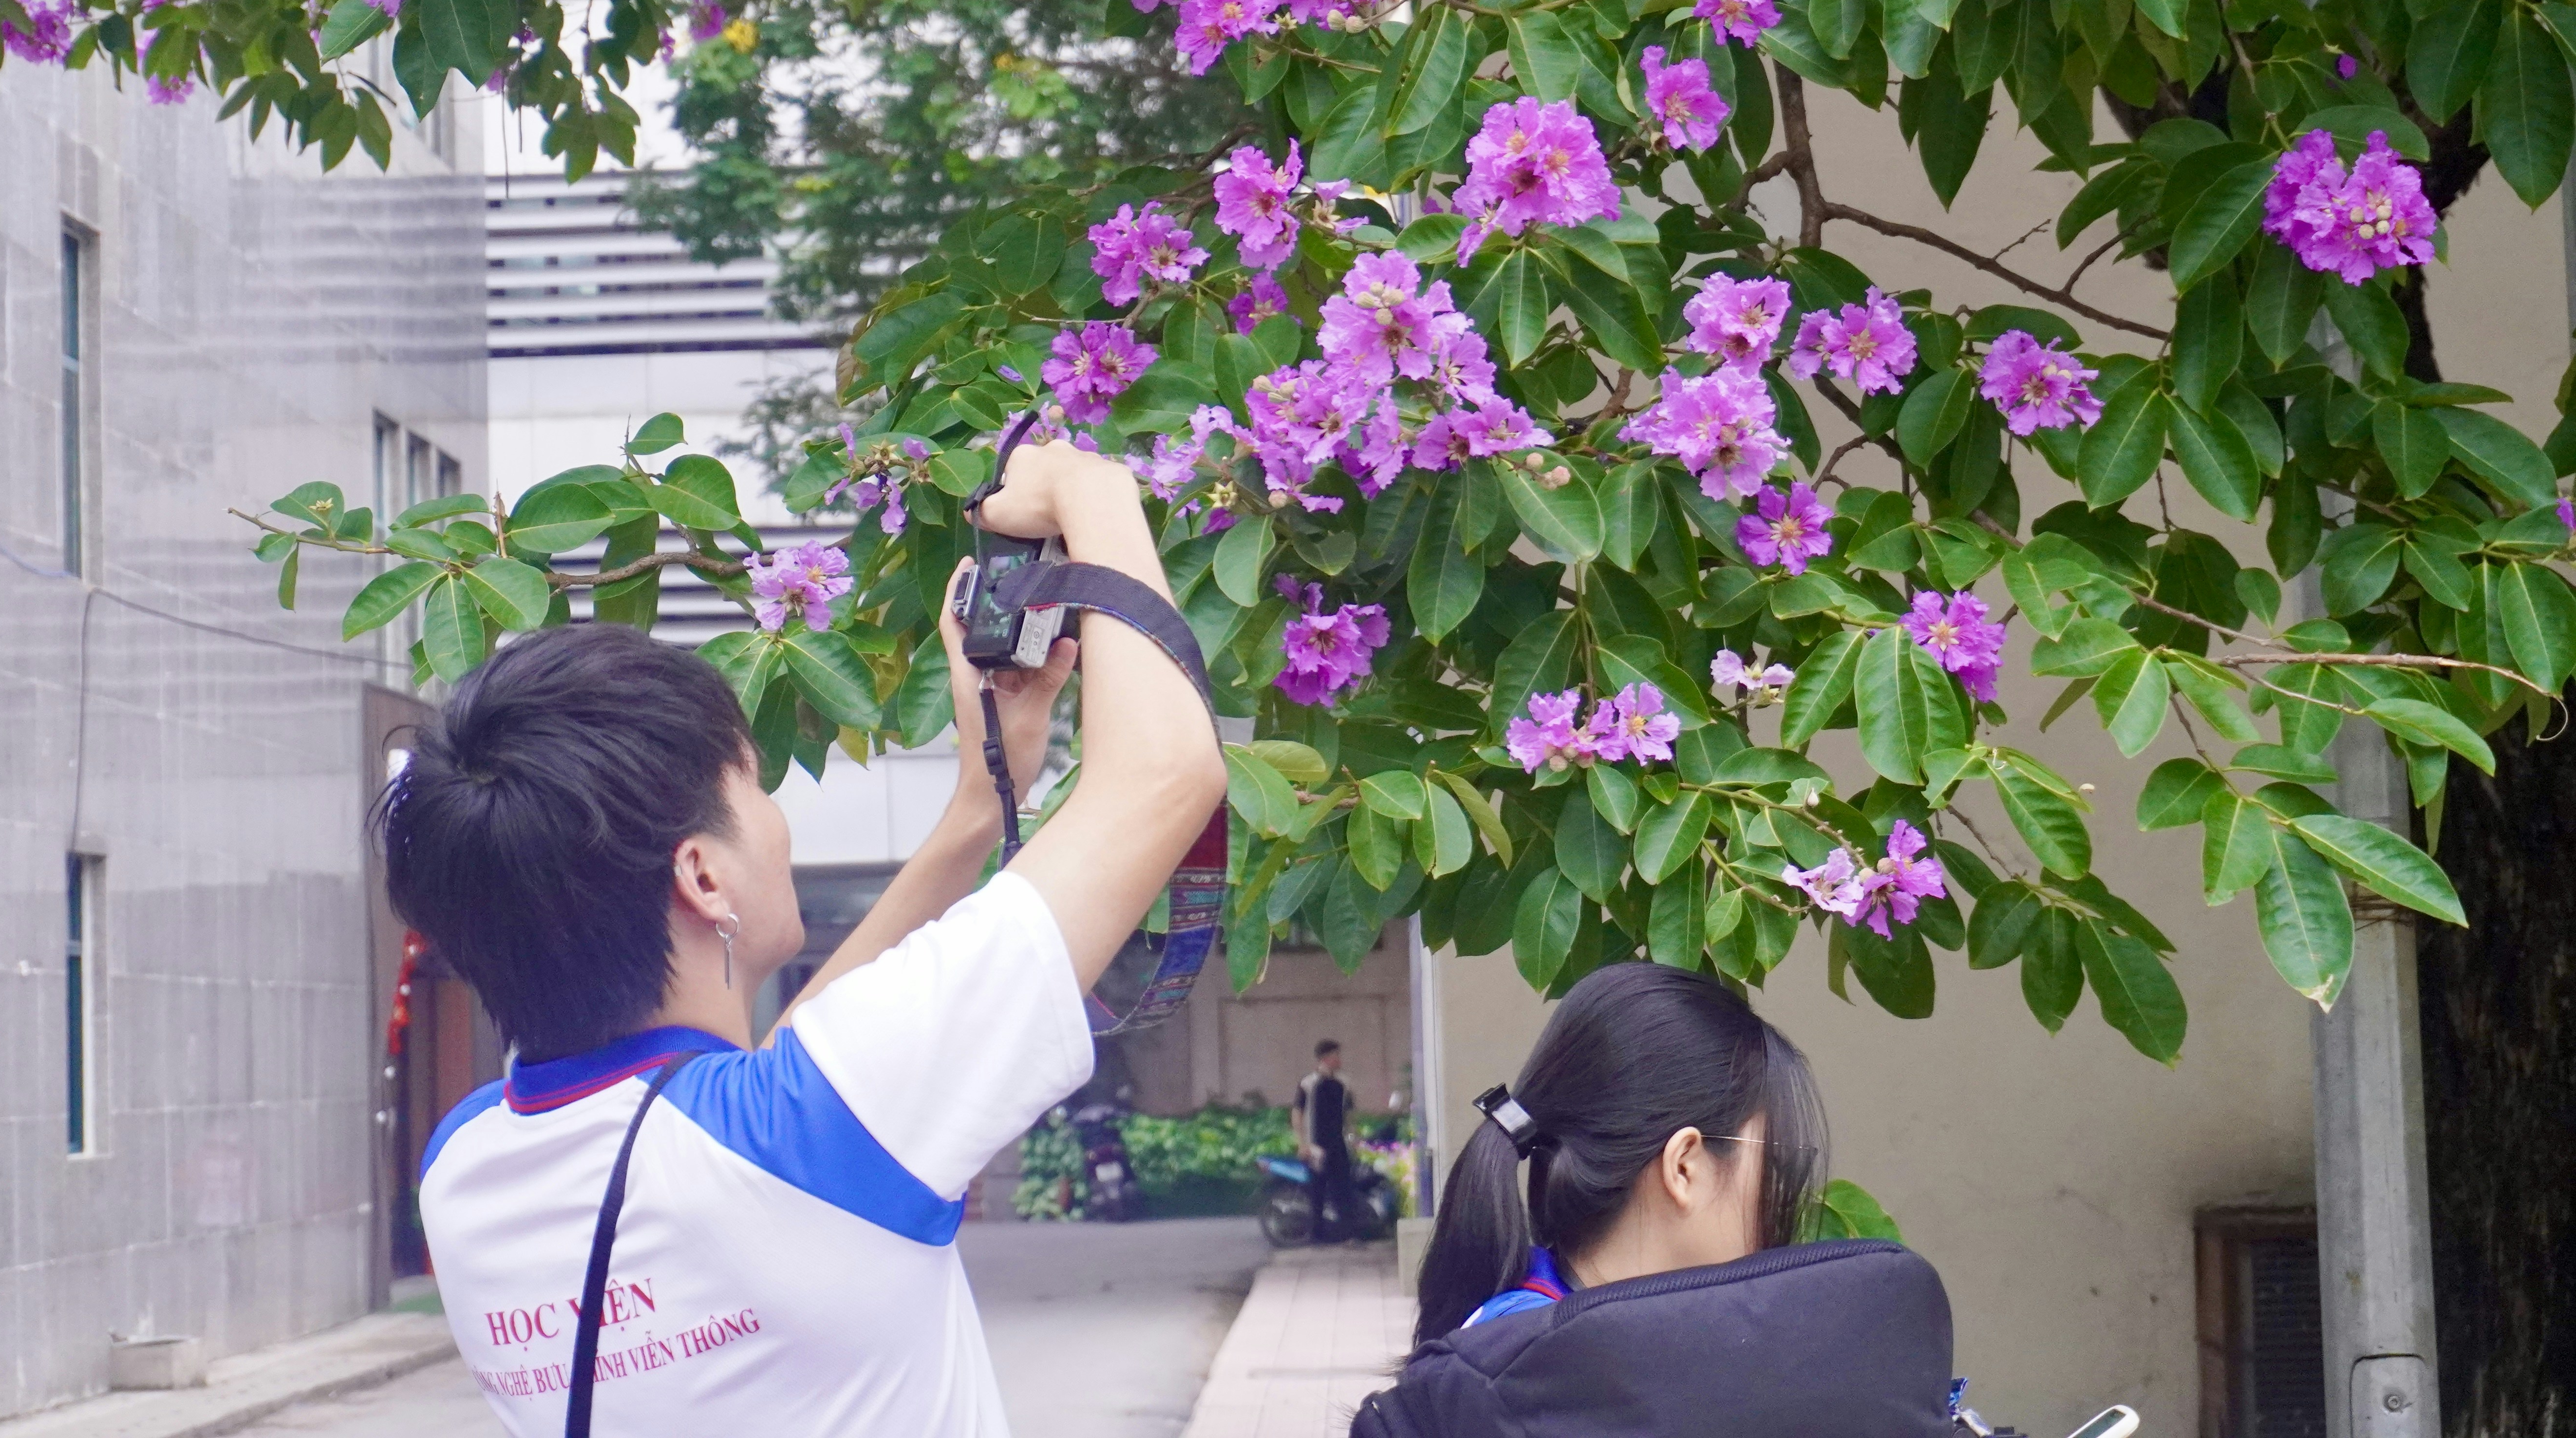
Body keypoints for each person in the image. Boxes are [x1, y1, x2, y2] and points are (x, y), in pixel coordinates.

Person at [388, 441, 1224, 1436]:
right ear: (702, 874)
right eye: (754, 784)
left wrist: (974, 809)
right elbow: (1166, 772)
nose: (776, 819)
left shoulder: (466, 1166)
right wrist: (1093, 487)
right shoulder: (798, 1132)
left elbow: (781, 1103)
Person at [1352, 963, 1956, 1438]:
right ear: (1685, 1166)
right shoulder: (1557, 1378)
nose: (1781, 1201)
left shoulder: (1515, 1339)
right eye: (1772, 1164)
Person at [1294, 1039, 1357, 1241]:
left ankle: (1347, 1234)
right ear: (1325, 1058)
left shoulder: (1344, 1084)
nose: (1339, 1059)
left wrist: (1353, 1137)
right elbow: (1297, 1113)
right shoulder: (1308, 1084)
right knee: (1317, 1190)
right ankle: (1317, 1235)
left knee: (1344, 1188)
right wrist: (1302, 1144)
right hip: (1316, 1145)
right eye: (1336, 1055)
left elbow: (1349, 1113)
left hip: (1339, 1143)